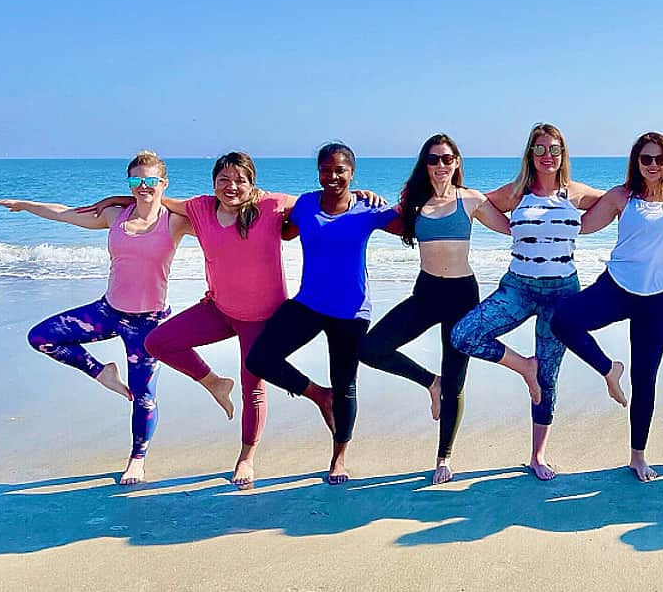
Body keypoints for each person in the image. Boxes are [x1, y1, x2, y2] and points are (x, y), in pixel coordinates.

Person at [77, 152, 384, 486]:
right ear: (213, 184)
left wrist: (360, 195)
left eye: (240, 180)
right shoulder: (201, 208)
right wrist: (118, 198)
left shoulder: (272, 206)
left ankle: (246, 458)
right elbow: (159, 199)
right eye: (224, 180)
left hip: (262, 318)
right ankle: (214, 383)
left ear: (253, 184)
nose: (231, 187)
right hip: (219, 309)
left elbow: (326, 199)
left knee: (253, 387)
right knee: (157, 342)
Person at [0, 150, 188, 484]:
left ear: (163, 183)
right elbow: (66, 214)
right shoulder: (115, 216)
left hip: (148, 322)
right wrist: (25, 205)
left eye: (150, 180)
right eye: (136, 180)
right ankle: (103, 373)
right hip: (109, 311)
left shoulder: (175, 221)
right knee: (41, 338)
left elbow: (217, 216)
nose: (143, 186)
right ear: (129, 183)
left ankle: (137, 460)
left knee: (143, 396)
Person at [450, 123, 606, 480]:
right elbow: (470, 202)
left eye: (554, 149)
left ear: (563, 154)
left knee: (549, 378)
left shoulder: (576, 193)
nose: (547, 156)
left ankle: (538, 456)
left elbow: (622, 197)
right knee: (464, 335)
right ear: (530, 155)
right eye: (540, 149)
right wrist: (421, 194)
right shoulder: (516, 194)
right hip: (517, 288)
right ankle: (525, 367)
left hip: (563, 293)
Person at [552, 132, 663, 482]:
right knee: (563, 320)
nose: (652, 165)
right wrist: (557, 202)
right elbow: (583, 227)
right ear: (636, 161)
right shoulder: (622, 197)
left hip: (658, 299)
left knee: (646, 380)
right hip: (616, 288)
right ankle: (608, 369)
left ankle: (638, 456)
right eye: (645, 158)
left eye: (659, 159)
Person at [357, 134, 510, 484]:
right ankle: (430, 382)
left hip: (461, 294)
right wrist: (361, 196)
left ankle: (444, 457)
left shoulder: (471, 200)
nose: (440, 165)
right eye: (433, 159)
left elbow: (512, 227)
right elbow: (378, 217)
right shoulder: (413, 203)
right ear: (424, 165)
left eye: (446, 158)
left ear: (456, 162)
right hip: (426, 293)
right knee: (369, 348)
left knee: (456, 379)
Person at [245, 143, 398, 484]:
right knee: (259, 359)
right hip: (309, 304)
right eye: (326, 170)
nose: (333, 176)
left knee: (346, 385)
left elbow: (407, 225)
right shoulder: (306, 204)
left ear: (352, 172)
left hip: (351, 312)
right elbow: (284, 231)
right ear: (318, 172)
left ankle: (339, 457)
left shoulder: (367, 208)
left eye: (340, 170)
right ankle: (318, 394)